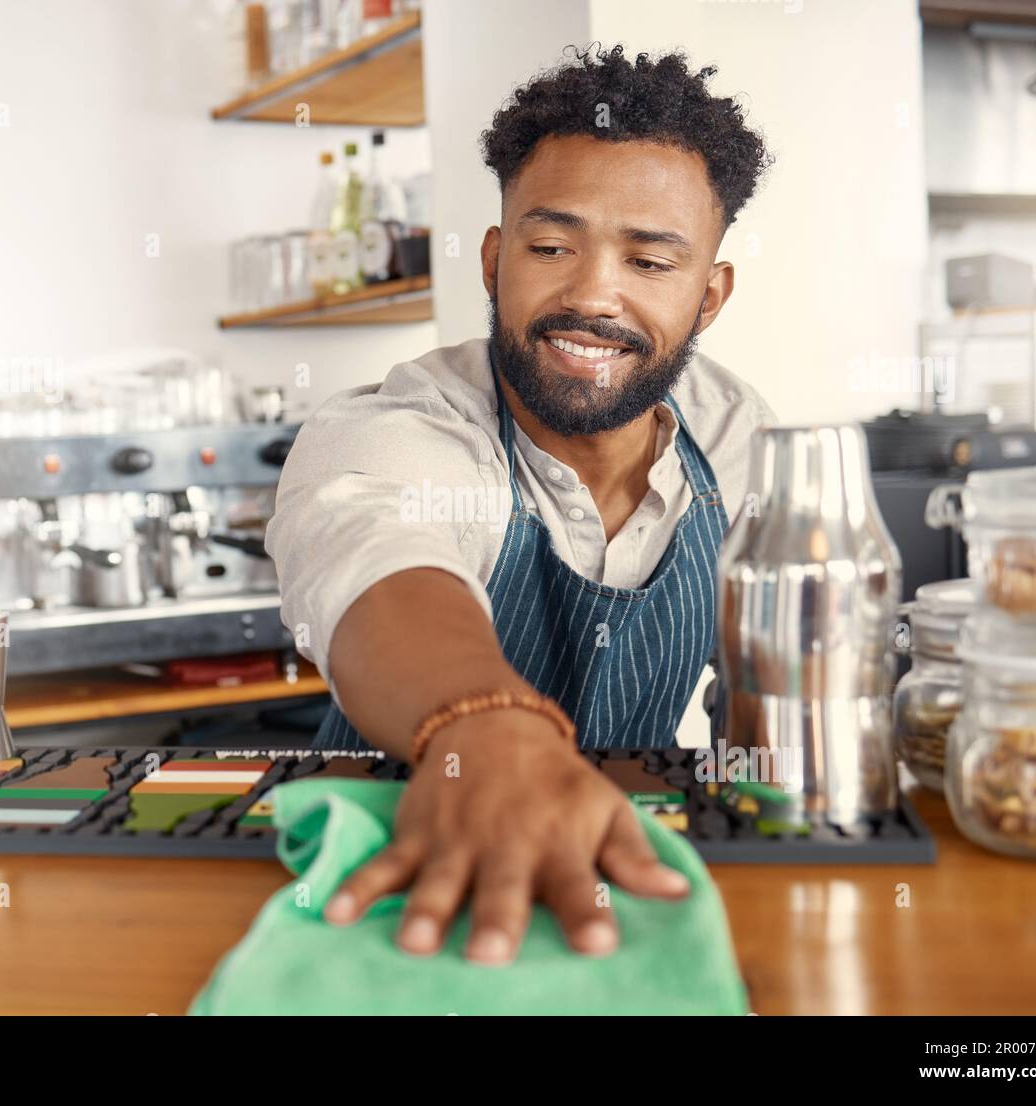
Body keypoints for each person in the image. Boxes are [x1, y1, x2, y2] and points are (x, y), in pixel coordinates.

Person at [267, 44, 775, 965]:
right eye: (550, 248)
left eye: (652, 262)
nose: (591, 295)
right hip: (378, 891)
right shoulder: (401, 426)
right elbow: (380, 555)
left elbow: (767, 681)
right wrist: (481, 731)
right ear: (496, 261)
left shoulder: (736, 438)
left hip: (621, 882)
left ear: (709, 296)